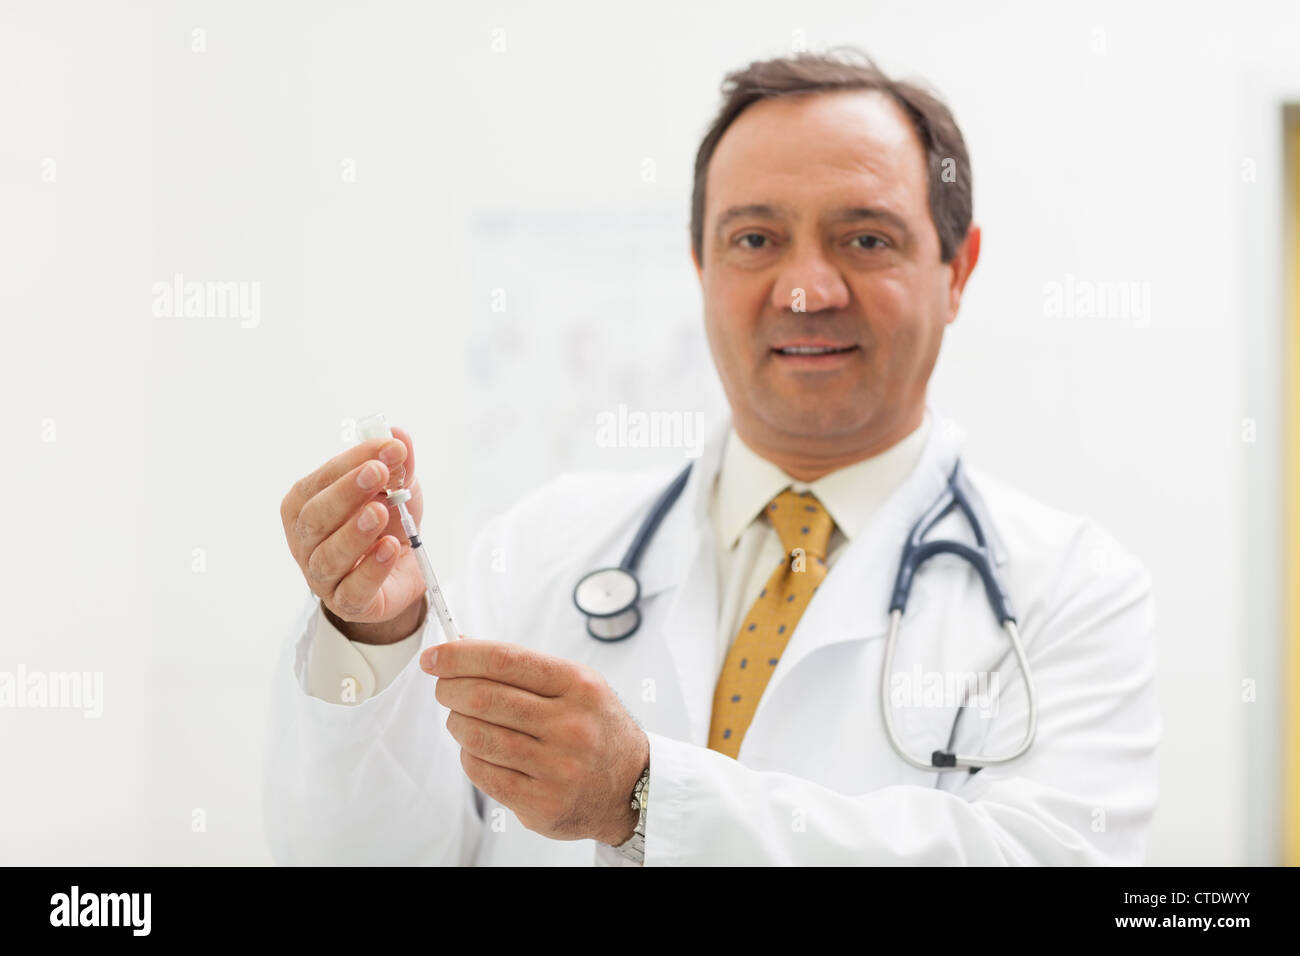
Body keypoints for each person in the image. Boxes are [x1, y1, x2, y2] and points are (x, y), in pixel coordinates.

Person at [266, 48, 1159, 866]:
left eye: (867, 239)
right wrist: (372, 643)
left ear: (957, 270)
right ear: (701, 264)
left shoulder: (1073, 593)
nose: (807, 290)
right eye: (756, 240)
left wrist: (650, 797)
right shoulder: (538, 551)